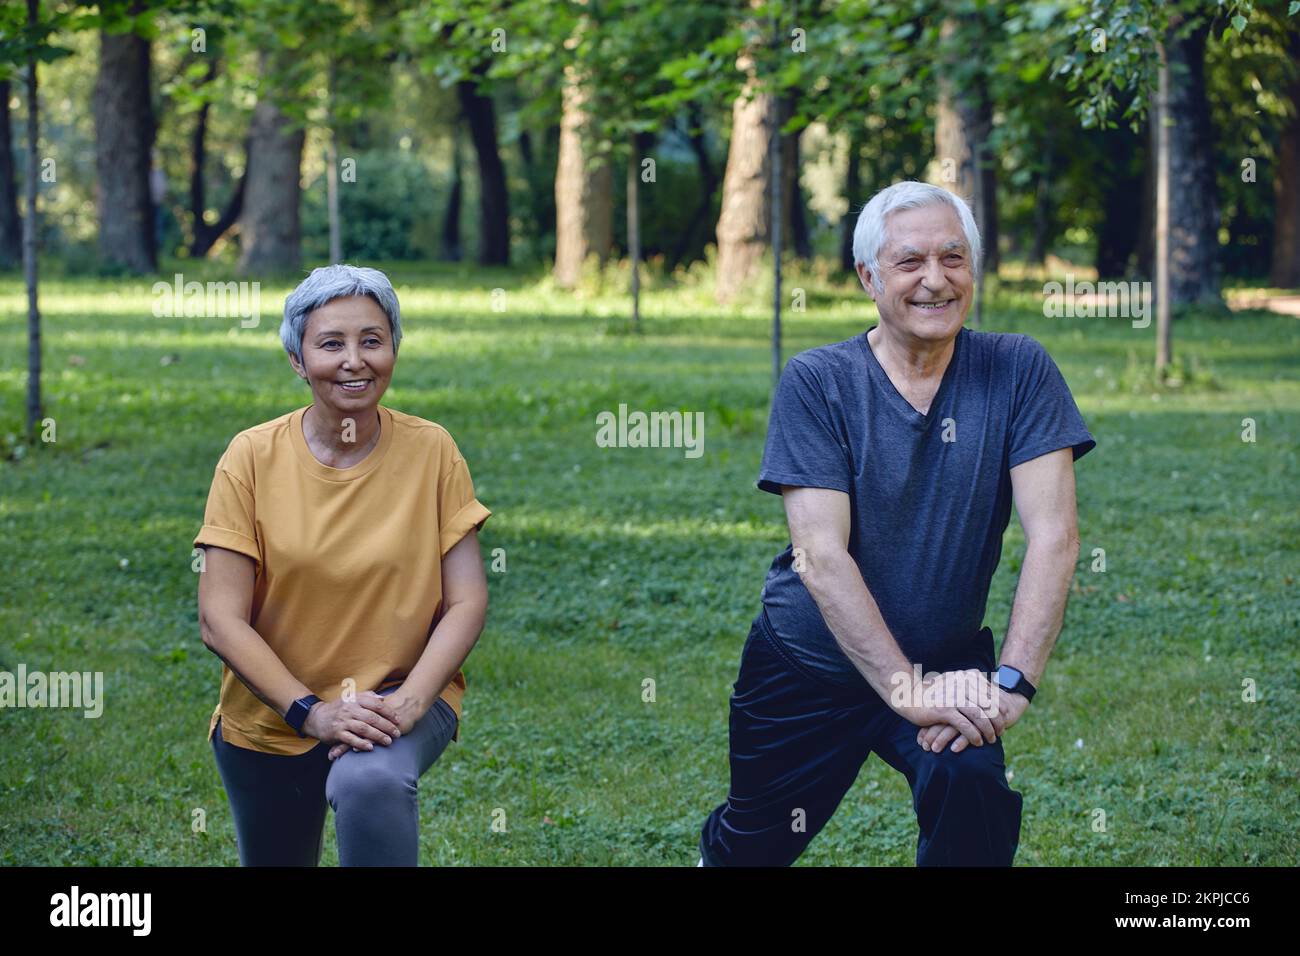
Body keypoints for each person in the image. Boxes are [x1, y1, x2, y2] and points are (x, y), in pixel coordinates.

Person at [698, 181, 1096, 866]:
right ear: (869, 277)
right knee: (755, 846)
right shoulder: (818, 381)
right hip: (809, 665)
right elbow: (820, 556)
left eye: (953, 258)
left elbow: (1054, 536)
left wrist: (1012, 683)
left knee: (968, 786)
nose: (935, 281)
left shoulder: (1018, 370)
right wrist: (904, 689)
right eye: (910, 262)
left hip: (946, 664)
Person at [194, 264, 490, 866]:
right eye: (331, 343)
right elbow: (220, 619)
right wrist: (312, 712)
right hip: (272, 718)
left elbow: (467, 601)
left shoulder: (433, 450)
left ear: (393, 351)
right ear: (298, 361)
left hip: (396, 701)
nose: (355, 360)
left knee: (368, 780)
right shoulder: (249, 459)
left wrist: (409, 702)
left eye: (372, 340)